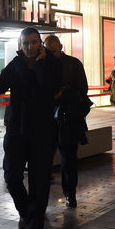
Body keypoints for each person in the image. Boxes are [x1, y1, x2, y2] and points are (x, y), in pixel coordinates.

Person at [0, 27, 61, 229]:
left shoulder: (50, 64)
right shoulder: (15, 65)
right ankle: (27, 214)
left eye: (34, 42)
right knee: (11, 177)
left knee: (40, 182)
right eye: (26, 43)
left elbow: (51, 88)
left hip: (42, 132)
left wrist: (38, 65)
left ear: (40, 44)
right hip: (17, 130)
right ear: (21, 44)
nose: (30, 47)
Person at [44, 35, 90, 208]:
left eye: (53, 51)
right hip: (49, 119)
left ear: (61, 47)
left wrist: (64, 93)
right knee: (45, 158)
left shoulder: (73, 64)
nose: (50, 54)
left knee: (68, 159)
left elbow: (82, 90)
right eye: (47, 50)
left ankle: (70, 193)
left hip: (67, 119)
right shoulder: (42, 64)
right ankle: (46, 195)